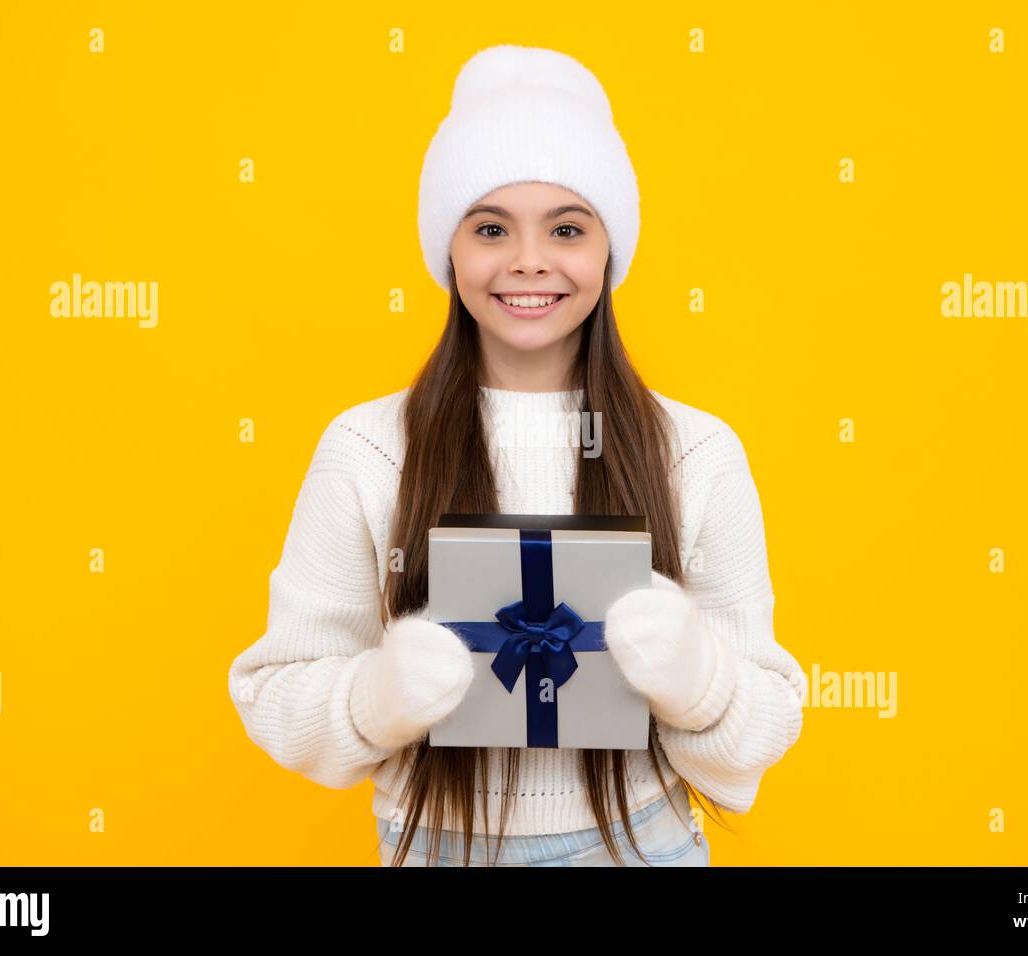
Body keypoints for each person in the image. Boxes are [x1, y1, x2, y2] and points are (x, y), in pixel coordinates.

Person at [227, 44, 807, 867]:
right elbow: (273, 691)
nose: (530, 260)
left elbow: (768, 724)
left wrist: (698, 679)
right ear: (448, 252)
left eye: (567, 228)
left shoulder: (697, 454)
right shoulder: (366, 448)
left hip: (643, 846)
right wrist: (376, 697)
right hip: (432, 847)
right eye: (492, 228)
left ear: (610, 249)